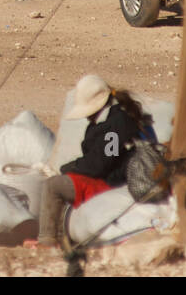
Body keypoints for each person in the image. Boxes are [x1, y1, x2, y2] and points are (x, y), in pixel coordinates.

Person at [38, 75, 150, 246]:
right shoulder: (115, 118)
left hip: (111, 183)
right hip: (108, 177)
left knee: (53, 186)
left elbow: (102, 164)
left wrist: (72, 167)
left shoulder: (116, 125)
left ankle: (48, 241)